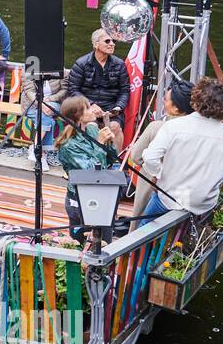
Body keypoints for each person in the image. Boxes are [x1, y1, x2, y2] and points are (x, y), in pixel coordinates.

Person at [140, 77, 223, 219]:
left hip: (170, 199)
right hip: (204, 204)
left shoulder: (174, 127)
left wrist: (158, 174)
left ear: (196, 100)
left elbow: (150, 157)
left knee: (144, 226)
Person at [55, 94, 124, 235]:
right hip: (79, 199)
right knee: (78, 247)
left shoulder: (92, 129)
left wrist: (109, 142)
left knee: (105, 243)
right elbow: (90, 173)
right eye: (87, 108)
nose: (92, 109)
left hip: (102, 193)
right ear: (78, 116)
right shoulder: (68, 145)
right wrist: (100, 143)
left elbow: (109, 160)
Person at [126, 79, 192, 223]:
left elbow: (135, 156)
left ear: (176, 108)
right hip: (185, 196)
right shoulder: (196, 133)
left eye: (166, 99)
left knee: (143, 224)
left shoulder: (157, 127)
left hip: (151, 185)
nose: (162, 101)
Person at [65, 29, 130, 126]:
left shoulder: (120, 64)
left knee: (114, 127)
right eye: (107, 41)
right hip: (87, 107)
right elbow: (73, 90)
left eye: (113, 41)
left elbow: (124, 90)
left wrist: (118, 107)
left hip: (111, 109)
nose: (112, 44)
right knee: (91, 126)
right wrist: (90, 105)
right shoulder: (81, 63)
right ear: (96, 44)